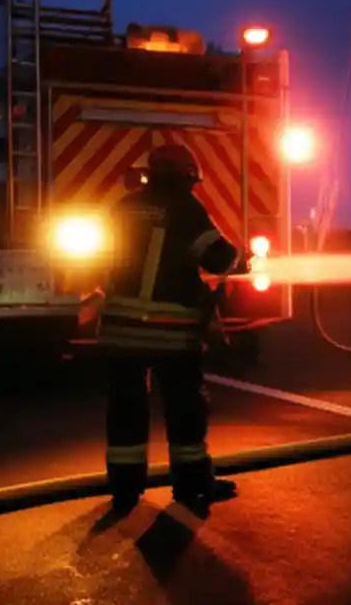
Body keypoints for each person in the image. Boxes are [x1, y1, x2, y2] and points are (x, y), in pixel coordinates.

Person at [98, 144, 245, 513]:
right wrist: (246, 259)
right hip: (169, 331)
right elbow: (219, 258)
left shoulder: (124, 207)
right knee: (185, 409)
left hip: (119, 331)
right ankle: (192, 484)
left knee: (125, 410)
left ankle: (125, 489)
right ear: (186, 176)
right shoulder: (185, 209)